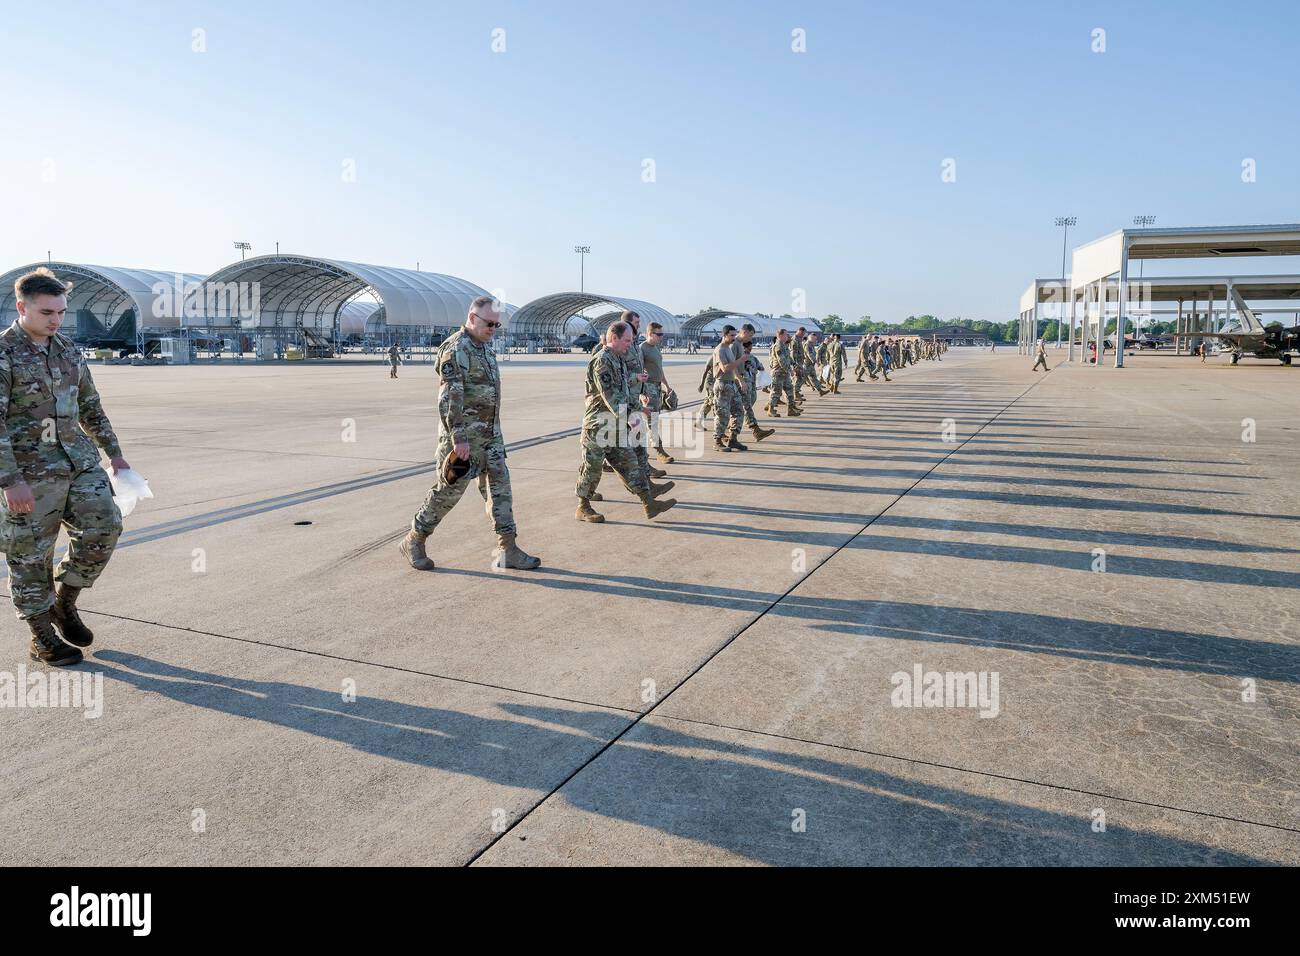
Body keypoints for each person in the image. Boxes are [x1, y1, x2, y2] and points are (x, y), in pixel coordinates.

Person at [1, 268, 130, 667]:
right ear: (22, 308)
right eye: (46, 313)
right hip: (29, 473)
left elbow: (90, 405)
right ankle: (42, 639)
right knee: (30, 556)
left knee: (105, 526)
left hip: (79, 462)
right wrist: (10, 481)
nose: (55, 320)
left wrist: (116, 454)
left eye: (60, 312)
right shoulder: (4, 354)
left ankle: (64, 602)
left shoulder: (68, 349)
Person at [401, 296, 540, 572]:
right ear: (472, 317)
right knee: (447, 493)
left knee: (501, 491)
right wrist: (459, 439)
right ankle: (414, 539)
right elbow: (450, 399)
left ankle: (508, 547)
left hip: (490, 438)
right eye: (489, 323)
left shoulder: (485, 348)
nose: (493, 329)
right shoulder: (456, 349)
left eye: (497, 324)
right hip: (463, 440)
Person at [575, 321, 676, 523]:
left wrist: (639, 407)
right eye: (627, 340)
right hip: (599, 426)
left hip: (616, 426)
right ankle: (583, 507)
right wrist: (632, 416)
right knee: (592, 469)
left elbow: (624, 390)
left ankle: (649, 503)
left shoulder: (618, 359)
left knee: (630, 465)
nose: (630, 345)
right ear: (614, 338)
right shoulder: (602, 361)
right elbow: (611, 397)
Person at [711, 324, 749, 452]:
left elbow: (733, 369)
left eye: (735, 335)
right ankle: (717, 441)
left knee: (739, 412)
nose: (734, 337)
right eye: (731, 335)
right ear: (724, 335)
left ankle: (733, 439)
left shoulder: (728, 348)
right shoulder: (720, 349)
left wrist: (740, 380)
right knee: (723, 414)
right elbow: (725, 368)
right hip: (722, 384)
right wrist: (741, 359)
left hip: (731, 384)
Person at [641, 321, 675, 463]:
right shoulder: (642, 349)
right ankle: (659, 451)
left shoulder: (655, 348)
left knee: (652, 420)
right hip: (648, 388)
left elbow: (659, 370)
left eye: (662, 334)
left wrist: (666, 386)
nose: (662, 337)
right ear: (650, 333)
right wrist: (642, 393)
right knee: (651, 421)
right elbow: (639, 371)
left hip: (656, 387)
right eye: (659, 334)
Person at [766, 329, 800, 416]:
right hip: (778, 373)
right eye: (785, 335)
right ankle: (771, 410)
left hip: (784, 373)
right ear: (780, 335)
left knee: (789, 391)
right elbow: (782, 362)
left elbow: (789, 358)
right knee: (775, 392)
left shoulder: (784, 346)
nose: (787, 336)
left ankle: (791, 409)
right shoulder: (778, 346)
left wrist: (795, 365)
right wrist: (790, 370)